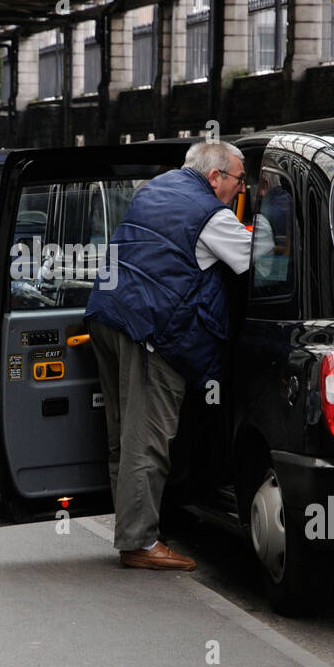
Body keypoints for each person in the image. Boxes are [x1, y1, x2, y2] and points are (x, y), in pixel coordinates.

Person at [84, 141, 253, 572]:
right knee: (147, 440)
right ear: (215, 177)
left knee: (122, 435)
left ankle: (131, 531)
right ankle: (139, 542)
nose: (240, 189)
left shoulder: (155, 188)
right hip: (149, 330)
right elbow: (258, 262)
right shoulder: (212, 215)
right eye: (238, 180)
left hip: (106, 314)